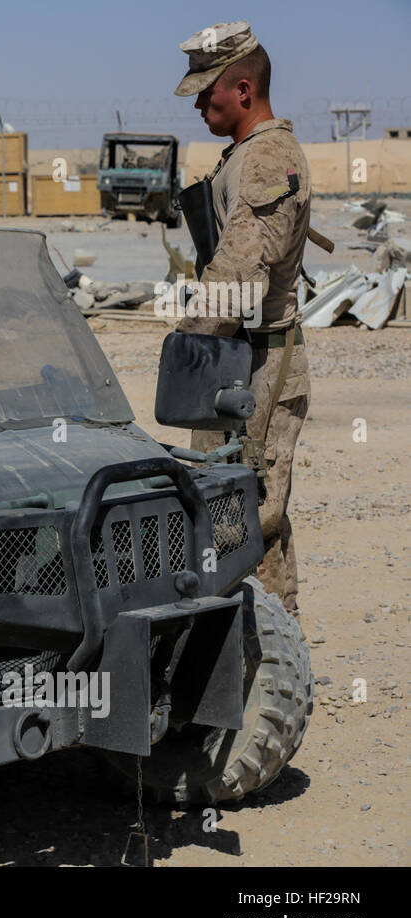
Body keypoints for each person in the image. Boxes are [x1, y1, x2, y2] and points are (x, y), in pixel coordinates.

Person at [173, 22, 311, 617]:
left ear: (246, 90)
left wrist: (181, 345)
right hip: (238, 362)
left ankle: (261, 656)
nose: (201, 102)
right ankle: (270, 648)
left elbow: (236, 283)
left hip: (259, 365)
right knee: (243, 513)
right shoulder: (245, 155)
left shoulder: (265, 160)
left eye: (211, 91)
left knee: (245, 519)